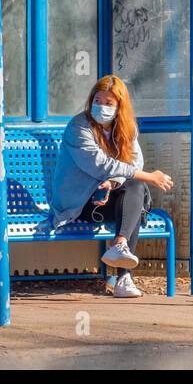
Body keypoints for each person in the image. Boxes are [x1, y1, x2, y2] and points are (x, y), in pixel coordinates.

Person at [50, 74, 174, 298]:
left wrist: (113, 181)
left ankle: (120, 248)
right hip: (80, 205)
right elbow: (99, 164)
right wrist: (148, 176)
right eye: (98, 101)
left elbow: (134, 161)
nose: (102, 107)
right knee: (138, 193)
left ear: (120, 106)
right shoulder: (79, 127)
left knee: (135, 190)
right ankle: (124, 276)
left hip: (109, 199)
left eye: (109, 103)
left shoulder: (126, 127)